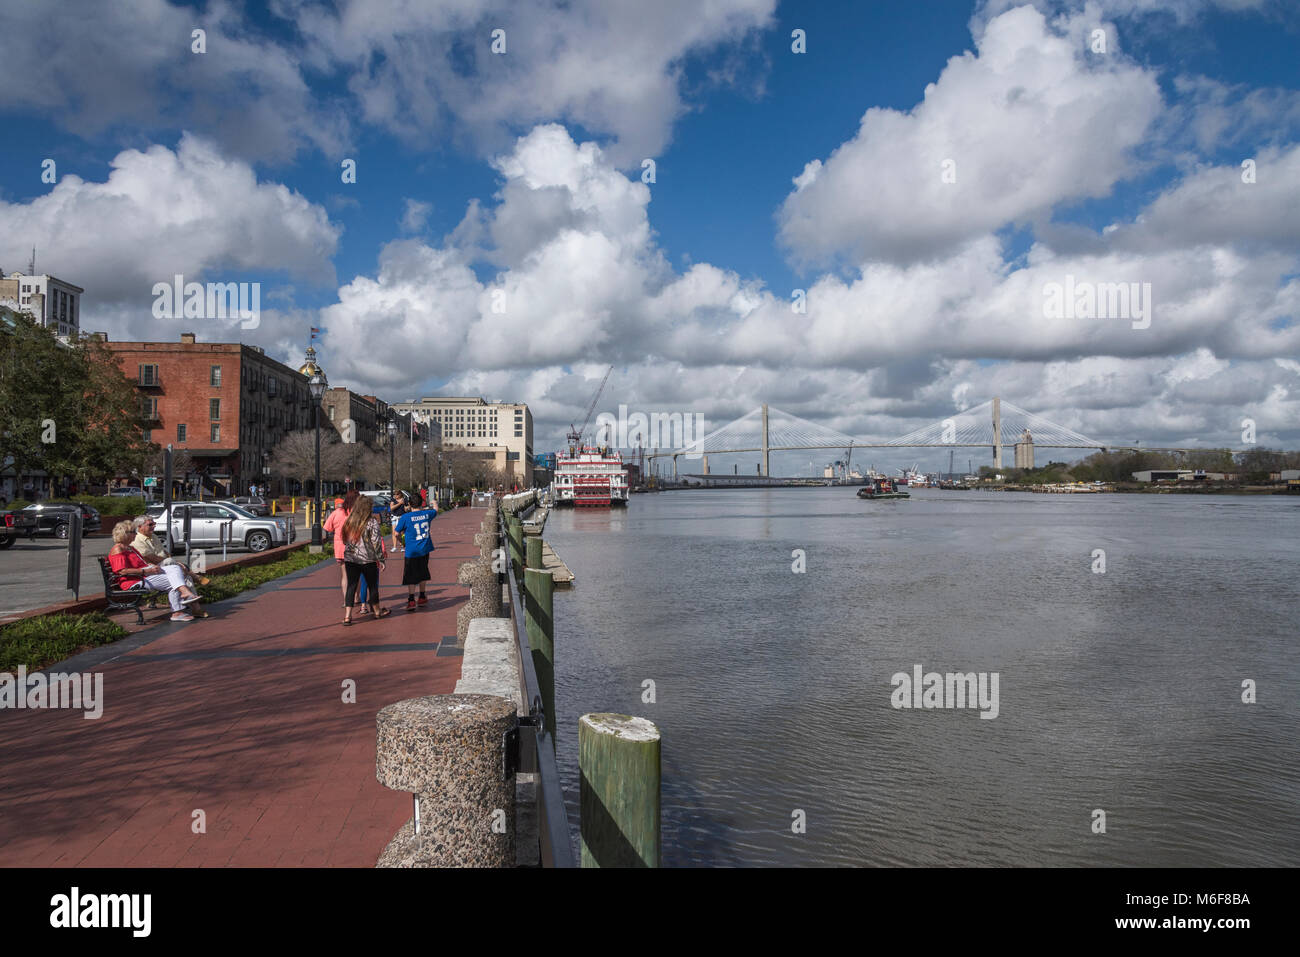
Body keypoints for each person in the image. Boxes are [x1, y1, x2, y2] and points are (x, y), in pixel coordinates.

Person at [107, 521, 207, 622]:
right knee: (174, 581)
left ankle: (185, 594)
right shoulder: (118, 549)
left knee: (175, 568)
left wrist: (151, 566)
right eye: (133, 532)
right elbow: (122, 571)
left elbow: (142, 563)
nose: (136, 534)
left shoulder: (130, 548)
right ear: (125, 533)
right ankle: (178, 611)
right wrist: (146, 571)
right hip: (134, 580)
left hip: (145, 575)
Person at [341, 496, 388, 625]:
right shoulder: (371, 522)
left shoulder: (349, 521)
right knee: (372, 586)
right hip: (368, 559)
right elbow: (376, 542)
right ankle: (377, 611)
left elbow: (344, 539)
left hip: (351, 558)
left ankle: (347, 616)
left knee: (351, 585)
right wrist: (381, 559)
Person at [131, 515, 210, 587]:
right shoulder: (137, 539)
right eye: (150, 525)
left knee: (185, 576)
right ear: (140, 526)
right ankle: (195, 577)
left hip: (163, 565)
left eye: (154, 523)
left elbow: (164, 552)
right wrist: (176, 563)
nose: (154, 526)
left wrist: (174, 561)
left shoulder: (153, 536)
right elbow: (153, 558)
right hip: (152, 567)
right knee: (171, 563)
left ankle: (192, 599)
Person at [324, 491, 369, 613]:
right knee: (357, 574)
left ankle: (346, 600)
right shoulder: (357, 513)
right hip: (355, 546)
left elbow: (327, 527)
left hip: (340, 547)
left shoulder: (337, 512)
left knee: (345, 575)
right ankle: (356, 597)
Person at [392, 496, 438, 609]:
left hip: (411, 550)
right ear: (421, 504)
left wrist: (402, 542)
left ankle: (411, 599)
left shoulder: (405, 517)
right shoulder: (427, 514)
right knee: (423, 572)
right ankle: (422, 596)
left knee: (410, 575)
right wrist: (434, 502)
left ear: (410, 505)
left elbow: (396, 533)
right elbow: (436, 510)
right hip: (424, 548)